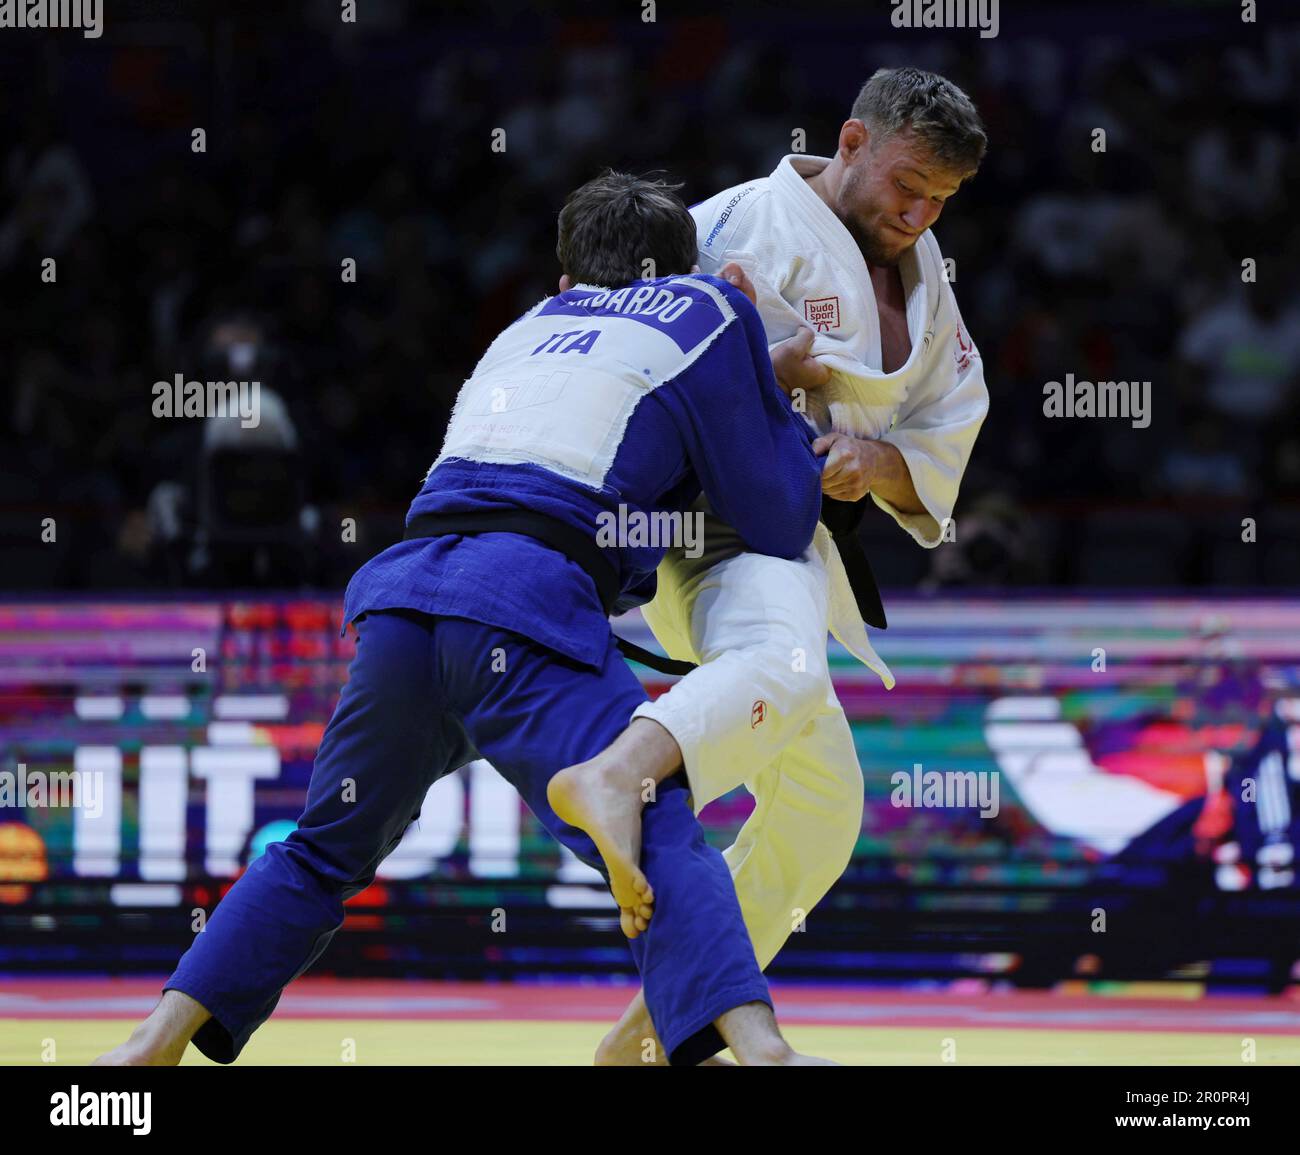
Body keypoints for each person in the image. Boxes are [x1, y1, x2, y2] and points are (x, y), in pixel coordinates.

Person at [93, 172, 830, 1068]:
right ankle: (762, 1051)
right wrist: (769, 387)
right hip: (524, 599)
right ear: (677, 269)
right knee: (650, 809)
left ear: (566, 282)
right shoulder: (707, 308)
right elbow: (780, 518)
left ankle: (148, 1040)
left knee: (321, 851)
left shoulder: (523, 329)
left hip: (407, 603)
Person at [580, 67, 991, 1064]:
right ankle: (622, 778)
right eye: (907, 184)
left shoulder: (925, 268)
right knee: (788, 673)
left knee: (820, 810)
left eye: (942, 197)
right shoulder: (729, 229)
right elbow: (621, 372)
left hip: (795, 547)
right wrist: (768, 387)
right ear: (849, 141)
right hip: (702, 535)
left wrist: (875, 460)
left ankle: (657, 1026)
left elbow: (945, 422)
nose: (919, 212)